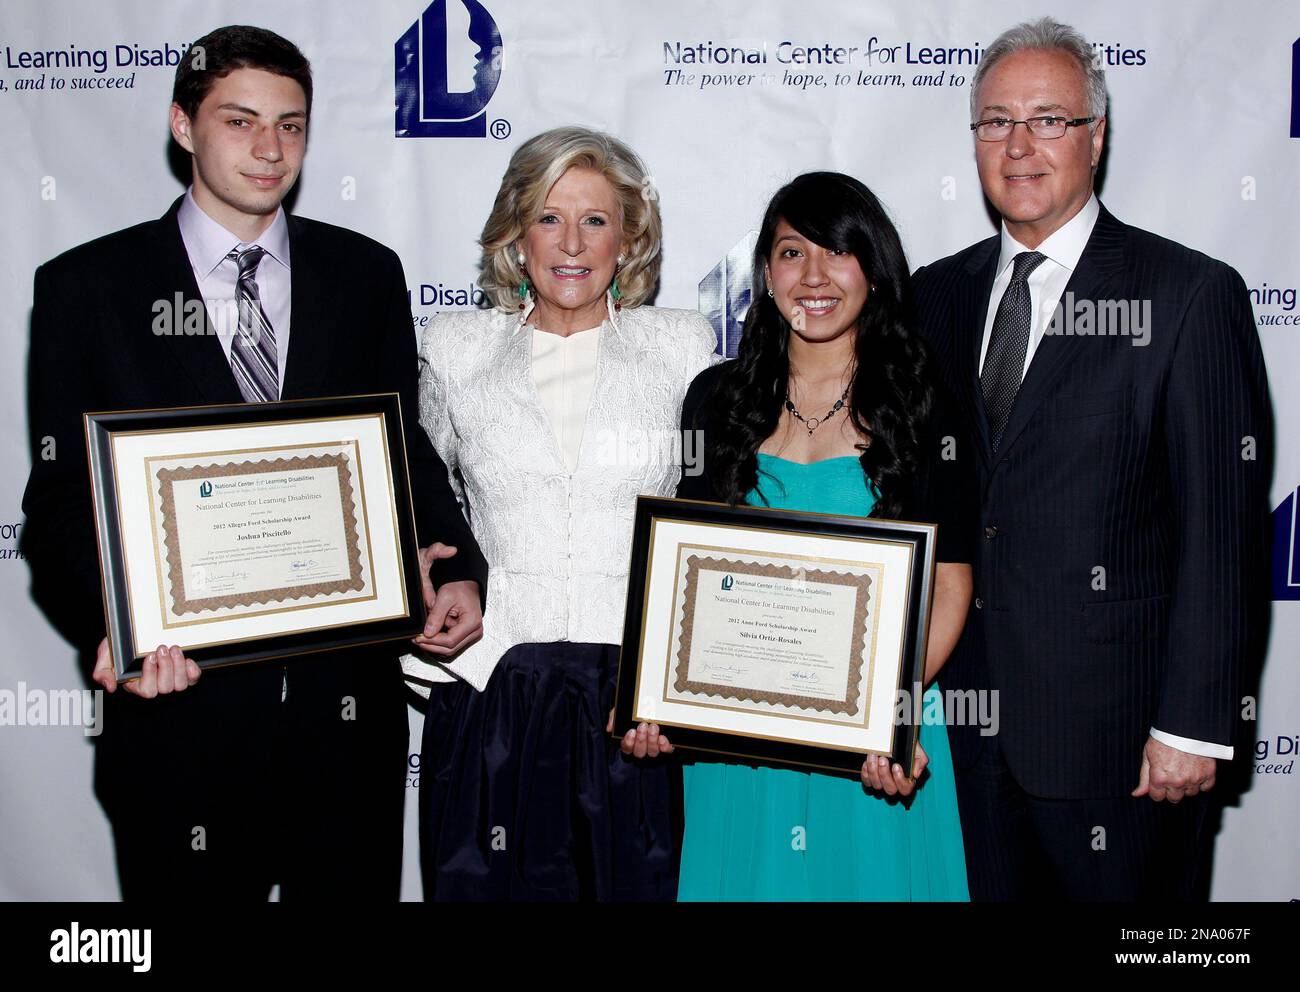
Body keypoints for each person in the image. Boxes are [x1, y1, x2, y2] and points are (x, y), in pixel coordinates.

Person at [21, 25, 487, 901]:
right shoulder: (87, 288)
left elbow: (404, 446)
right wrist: (117, 624)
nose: (271, 149)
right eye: (241, 121)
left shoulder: (364, 273)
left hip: (344, 722)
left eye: (292, 125)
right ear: (183, 126)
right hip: (179, 719)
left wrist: (456, 565)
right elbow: (56, 499)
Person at [912, 17, 1271, 901]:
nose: (1020, 145)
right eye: (996, 121)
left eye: (1049, 119)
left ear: (1096, 136)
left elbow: (1222, 533)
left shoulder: (1188, 294)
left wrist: (1193, 723)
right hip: (963, 738)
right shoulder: (936, 296)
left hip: (1125, 749)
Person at [401, 126, 718, 900]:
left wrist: (682, 683)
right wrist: (412, 577)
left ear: (629, 237)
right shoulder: (455, 347)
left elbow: (709, 525)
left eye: (596, 220)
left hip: (632, 704)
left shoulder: (682, 347)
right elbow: (422, 500)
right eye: (549, 217)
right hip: (490, 692)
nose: (571, 242)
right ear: (516, 232)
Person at [671, 171, 975, 900]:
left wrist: (888, 710)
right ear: (765, 275)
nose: (813, 275)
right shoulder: (714, 400)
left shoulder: (925, 399)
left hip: (874, 735)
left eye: (836, 252)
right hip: (741, 740)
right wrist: (662, 700)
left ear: (872, 265)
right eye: (789, 252)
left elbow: (952, 581)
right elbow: (683, 576)